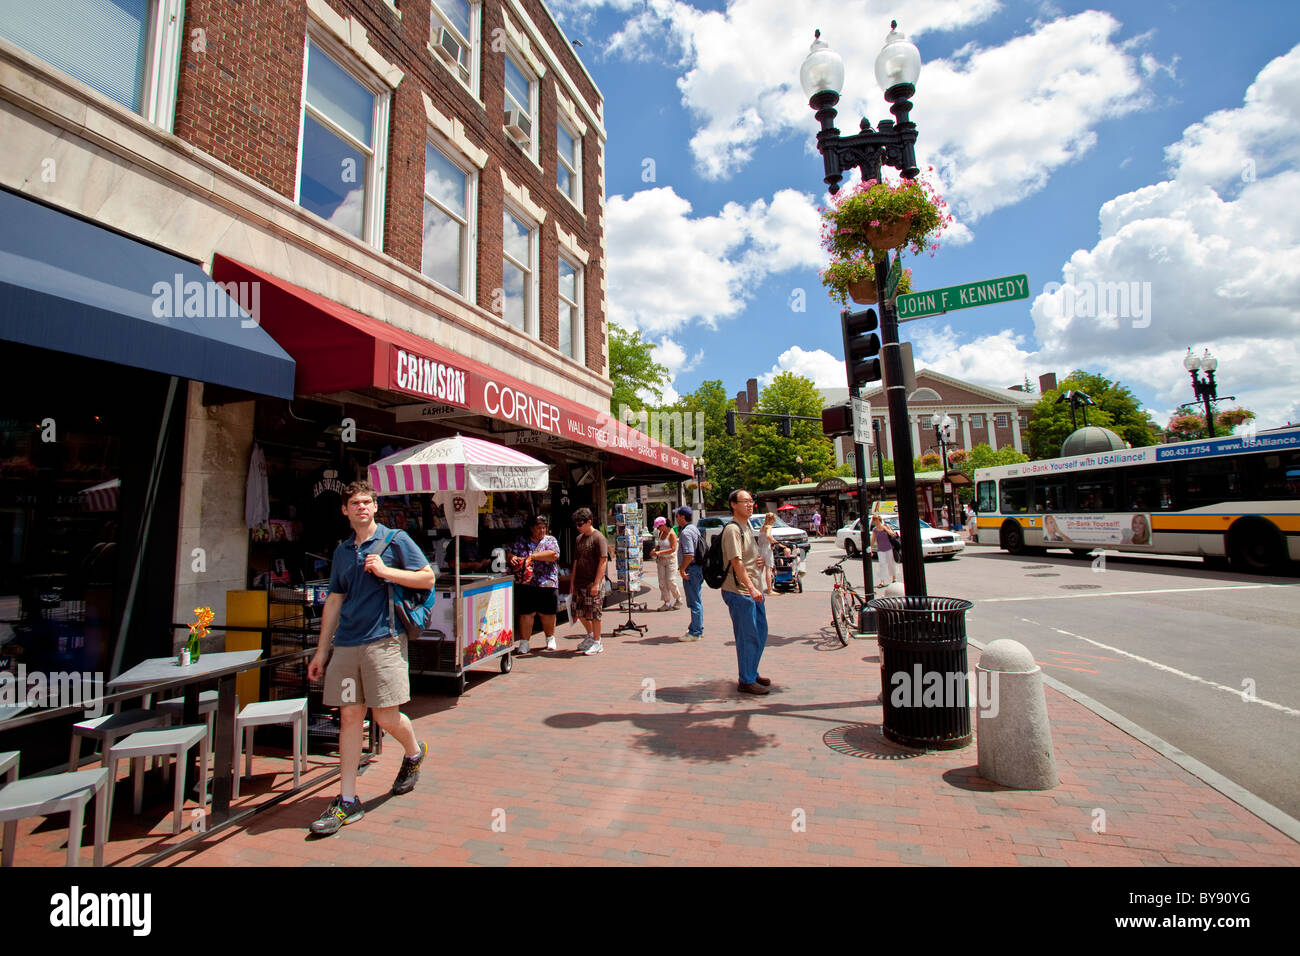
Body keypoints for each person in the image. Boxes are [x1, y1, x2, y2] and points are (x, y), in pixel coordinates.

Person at [306, 481, 433, 836]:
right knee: (349, 717)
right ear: (344, 511)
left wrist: (386, 572)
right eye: (354, 503)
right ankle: (347, 800)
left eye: (367, 502)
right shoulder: (343, 551)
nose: (361, 507)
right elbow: (334, 599)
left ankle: (413, 751)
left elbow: (427, 578)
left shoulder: (396, 541)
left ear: (375, 507)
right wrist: (322, 650)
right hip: (347, 643)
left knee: (385, 715)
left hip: (384, 640)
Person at [721, 489, 771, 695]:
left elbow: (748, 556)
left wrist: (759, 560)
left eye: (752, 501)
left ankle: (751, 670)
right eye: (745, 501)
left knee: (760, 632)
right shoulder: (732, 529)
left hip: (753, 590)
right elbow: (735, 561)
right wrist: (751, 587)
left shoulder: (747, 526)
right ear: (733, 504)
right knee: (747, 636)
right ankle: (746, 679)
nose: (750, 505)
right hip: (741, 591)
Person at [509, 515, 560, 654]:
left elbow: (553, 555)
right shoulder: (522, 541)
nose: (542, 530)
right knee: (526, 613)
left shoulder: (551, 540)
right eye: (539, 528)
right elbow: (510, 552)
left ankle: (550, 638)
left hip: (547, 582)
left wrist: (532, 556)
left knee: (547, 613)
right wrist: (512, 557)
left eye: (544, 528)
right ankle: (524, 642)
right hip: (526, 583)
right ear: (532, 529)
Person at [570, 507, 608, 656]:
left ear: (589, 522)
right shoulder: (579, 539)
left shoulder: (598, 538)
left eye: (580, 524)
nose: (578, 527)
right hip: (580, 581)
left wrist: (596, 583)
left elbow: (603, 561)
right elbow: (575, 561)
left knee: (594, 613)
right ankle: (591, 636)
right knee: (579, 612)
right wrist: (572, 582)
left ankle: (598, 642)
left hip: (592, 582)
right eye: (577, 525)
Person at [675, 506, 704, 642]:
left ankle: (695, 632)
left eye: (677, 516)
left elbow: (689, 554)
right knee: (697, 599)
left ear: (682, 517)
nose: (676, 519)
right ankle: (697, 627)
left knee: (694, 602)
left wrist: (682, 569)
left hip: (691, 569)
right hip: (697, 568)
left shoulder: (686, 532)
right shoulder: (694, 528)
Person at [650, 516, 683, 611]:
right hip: (661, 561)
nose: (658, 529)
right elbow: (659, 545)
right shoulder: (661, 533)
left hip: (670, 560)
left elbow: (673, 548)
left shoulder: (671, 534)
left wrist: (659, 552)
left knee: (670, 581)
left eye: (659, 527)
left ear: (664, 525)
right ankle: (667, 602)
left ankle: (678, 598)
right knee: (662, 582)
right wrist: (655, 550)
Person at [872, 513, 898, 588]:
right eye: (874, 521)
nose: (876, 522)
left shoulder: (886, 526)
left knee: (891, 563)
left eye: (877, 520)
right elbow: (873, 540)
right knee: (882, 564)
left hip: (889, 548)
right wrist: (870, 548)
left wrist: (886, 529)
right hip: (880, 549)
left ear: (880, 520)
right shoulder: (874, 530)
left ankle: (894, 578)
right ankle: (882, 581)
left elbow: (893, 534)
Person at [757, 512, 776, 594]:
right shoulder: (769, 527)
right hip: (767, 549)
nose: (774, 521)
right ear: (771, 519)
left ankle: (757, 587)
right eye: (774, 519)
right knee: (769, 569)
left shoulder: (762, 527)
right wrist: (772, 541)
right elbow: (768, 536)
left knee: (760, 570)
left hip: (760, 549)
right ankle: (770, 590)